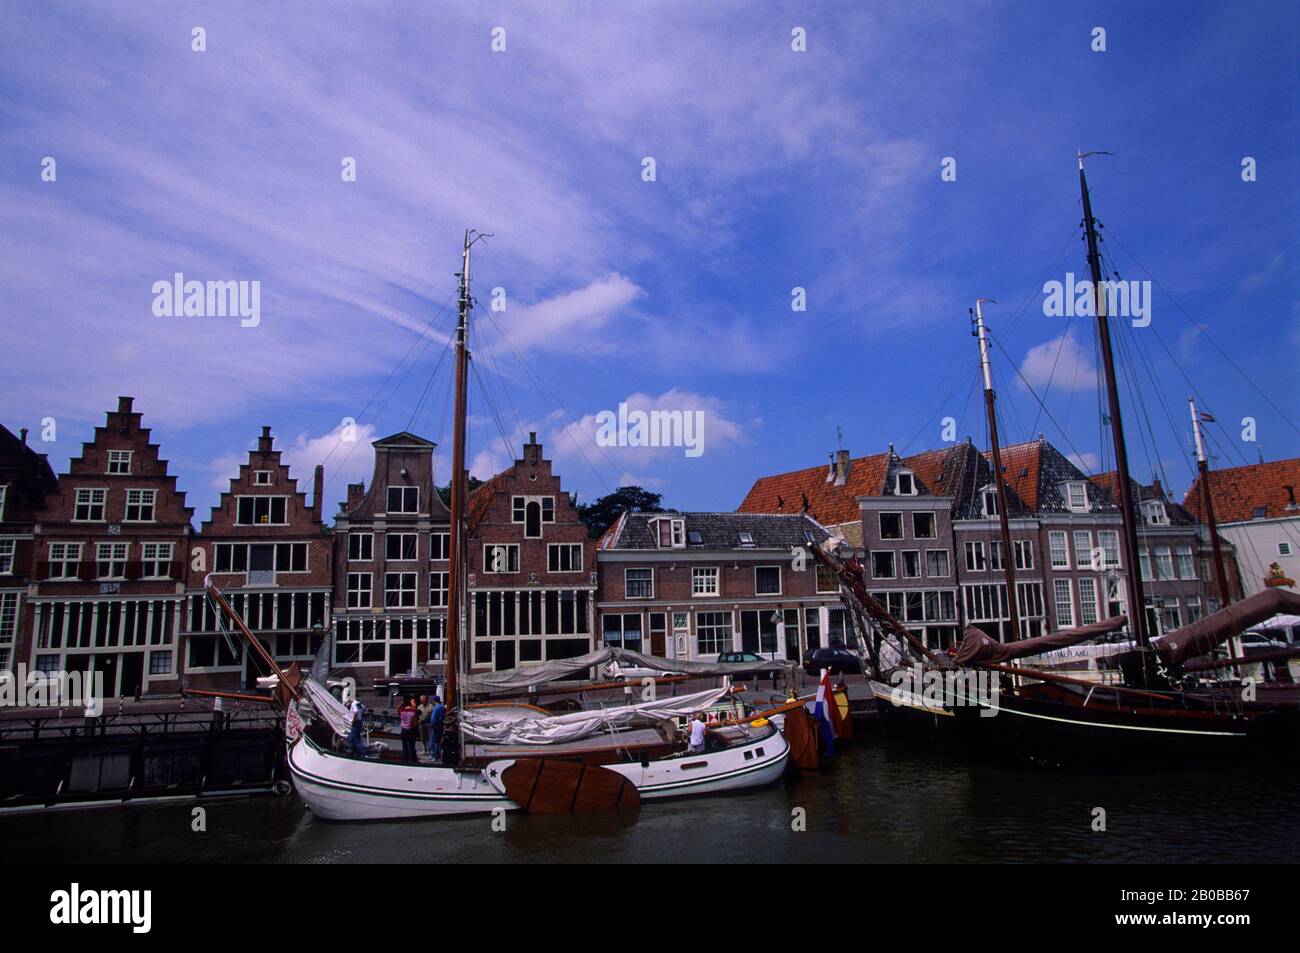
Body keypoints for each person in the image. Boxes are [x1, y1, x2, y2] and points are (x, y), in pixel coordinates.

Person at [398, 696, 419, 764]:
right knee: (412, 745)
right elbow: (415, 713)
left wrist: (401, 704)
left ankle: (405, 759)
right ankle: (413, 759)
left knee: (404, 745)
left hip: (404, 729)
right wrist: (414, 705)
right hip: (411, 729)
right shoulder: (412, 711)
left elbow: (398, 710)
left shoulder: (402, 711)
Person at [429, 693, 446, 761]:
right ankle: (438, 754)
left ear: (434, 700)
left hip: (436, 726)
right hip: (441, 725)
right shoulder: (442, 707)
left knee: (433, 741)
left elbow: (433, 719)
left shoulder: (436, 708)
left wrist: (432, 725)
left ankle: (433, 755)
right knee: (438, 741)